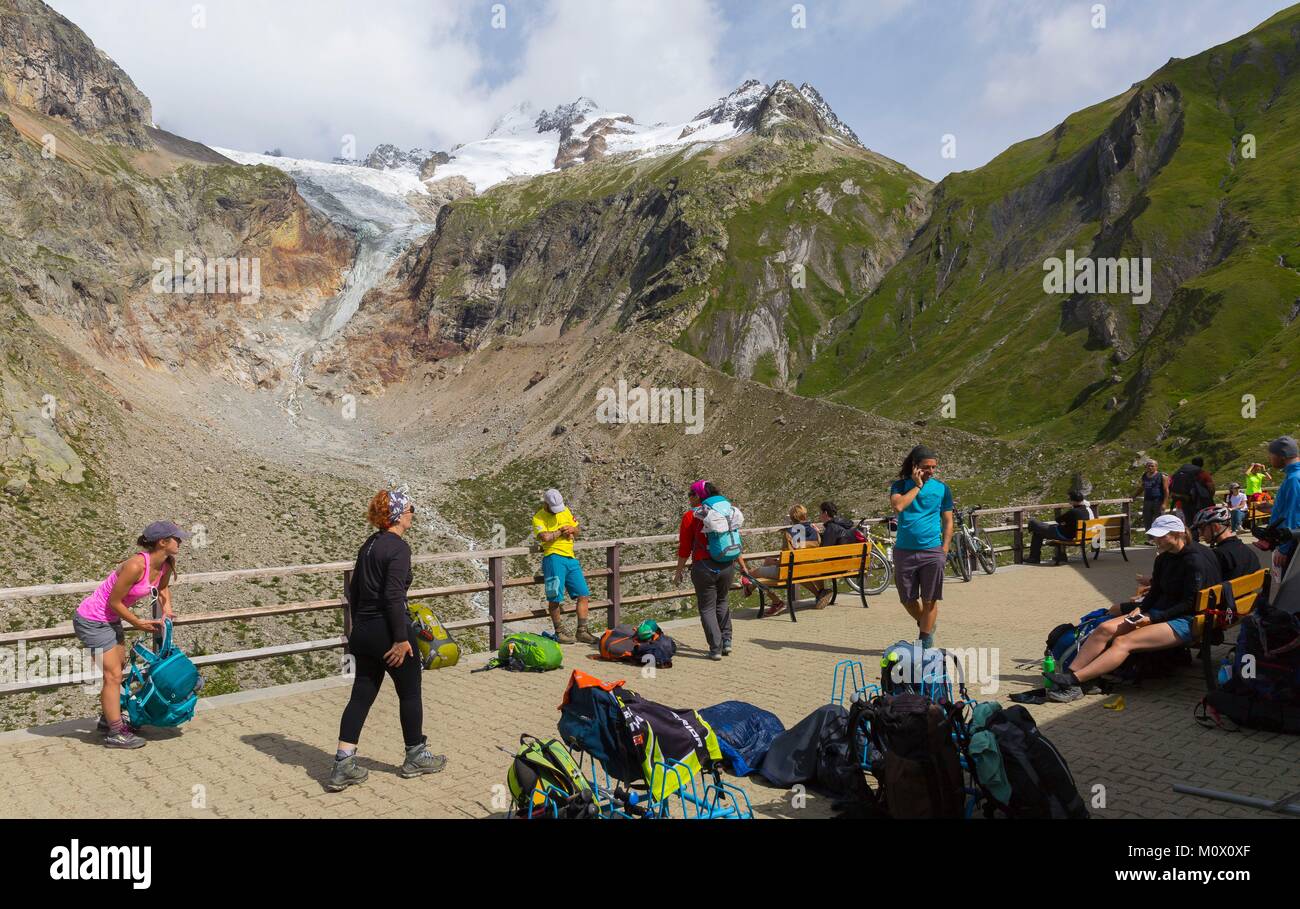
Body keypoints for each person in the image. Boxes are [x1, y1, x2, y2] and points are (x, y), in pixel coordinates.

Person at [329, 489, 445, 792]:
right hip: (389, 631)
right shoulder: (398, 548)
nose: (412, 514)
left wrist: (360, 630)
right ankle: (415, 756)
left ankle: (343, 763)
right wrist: (399, 639)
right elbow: (394, 596)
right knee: (409, 693)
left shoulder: (368, 546)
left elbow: (353, 593)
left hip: (364, 631)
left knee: (361, 695)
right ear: (396, 515)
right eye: (409, 508)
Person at [1043, 514, 1221, 702]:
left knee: (1123, 642)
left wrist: (1152, 618)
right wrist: (1142, 608)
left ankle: (1074, 680)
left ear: (1178, 534)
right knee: (1105, 628)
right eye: (1154, 536)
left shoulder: (1194, 561)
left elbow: (1189, 603)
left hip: (1187, 619)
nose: (1156, 540)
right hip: (1163, 612)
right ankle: (1072, 673)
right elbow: (1156, 590)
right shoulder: (1165, 557)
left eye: (1161, 536)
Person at [72, 521, 186, 749]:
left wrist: (168, 611)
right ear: (162, 542)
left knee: (118, 670)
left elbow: (163, 588)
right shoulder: (135, 566)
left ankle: (109, 719)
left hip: (111, 620)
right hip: (92, 620)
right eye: (177, 538)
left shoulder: (164, 564)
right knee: (113, 676)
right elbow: (114, 601)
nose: (181, 542)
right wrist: (138, 623)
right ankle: (115, 733)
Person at [888, 445, 953, 649]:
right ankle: (926, 623)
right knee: (906, 598)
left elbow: (948, 521)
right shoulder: (900, 486)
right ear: (915, 466)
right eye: (926, 467)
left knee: (930, 600)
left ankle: (924, 640)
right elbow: (899, 506)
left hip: (932, 551)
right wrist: (917, 486)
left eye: (934, 467)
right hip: (904, 551)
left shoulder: (942, 488)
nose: (931, 471)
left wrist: (944, 549)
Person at [674, 481, 738, 660]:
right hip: (726, 563)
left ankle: (715, 648)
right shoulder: (724, 512)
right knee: (723, 601)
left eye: (691, 494)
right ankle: (727, 641)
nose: (689, 498)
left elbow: (685, 548)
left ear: (698, 496)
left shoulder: (690, 516)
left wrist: (678, 571)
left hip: (704, 567)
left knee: (707, 607)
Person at [532, 488, 594, 644]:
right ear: (545, 504)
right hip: (553, 558)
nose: (556, 512)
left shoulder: (565, 510)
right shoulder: (539, 517)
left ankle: (582, 631)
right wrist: (560, 531)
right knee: (555, 597)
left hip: (570, 558)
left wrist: (572, 530)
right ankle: (559, 632)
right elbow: (544, 537)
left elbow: (576, 530)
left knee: (583, 594)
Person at [745, 504, 831, 615]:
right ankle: (818, 594)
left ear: (792, 517)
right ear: (805, 515)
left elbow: (786, 559)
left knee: (751, 573)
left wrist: (775, 562)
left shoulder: (789, 533)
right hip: (808, 568)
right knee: (771, 563)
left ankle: (775, 602)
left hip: (790, 571)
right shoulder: (815, 532)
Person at [1263, 436, 1300, 584]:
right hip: (1293, 542)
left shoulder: (1293, 479)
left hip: (1291, 544)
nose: (1270, 458)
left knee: (1288, 589)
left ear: (1282, 456)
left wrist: (1283, 549)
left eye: (1271, 454)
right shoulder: (1294, 476)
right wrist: (1273, 509)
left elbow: (1294, 515)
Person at [1193, 503, 1257, 581]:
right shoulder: (1247, 551)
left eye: (1202, 529)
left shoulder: (1219, 555)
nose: (1200, 533)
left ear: (1215, 527)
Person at [1026, 490, 1091, 565]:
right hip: (1073, 535)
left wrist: (1065, 520)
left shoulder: (1073, 512)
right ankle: (1034, 558)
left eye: (1069, 500)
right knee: (1038, 533)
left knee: (1032, 522)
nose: (1069, 501)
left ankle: (1034, 558)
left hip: (1062, 534)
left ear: (1074, 501)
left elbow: (1058, 519)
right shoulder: (1085, 511)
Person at [1169, 457, 1215, 528]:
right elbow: (1211, 487)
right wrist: (1209, 498)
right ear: (1202, 464)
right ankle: (1204, 536)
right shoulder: (1202, 473)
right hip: (1199, 502)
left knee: (1189, 521)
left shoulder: (1183, 471)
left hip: (1184, 500)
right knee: (1202, 520)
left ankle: (1193, 537)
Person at [1133, 459, 1169, 535]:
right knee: (1147, 520)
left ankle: (1158, 538)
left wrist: (1165, 503)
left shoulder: (1162, 476)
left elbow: (1166, 490)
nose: (1150, 467)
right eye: (1148, 466)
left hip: (1158, 501)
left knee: (1158, 520)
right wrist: (1133, 496)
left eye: (1152, 466)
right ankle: (1150, 539)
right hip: (1147, 501)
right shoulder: (1144, 476)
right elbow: (1142, 487)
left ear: (1156, 467)